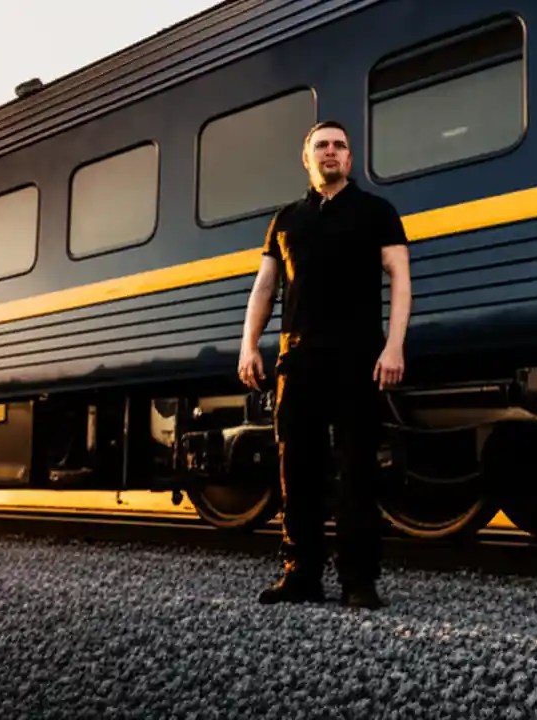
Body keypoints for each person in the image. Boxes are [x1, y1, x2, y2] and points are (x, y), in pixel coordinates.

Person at [237, 120, 411, 609]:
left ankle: (359, 580)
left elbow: (400, 279)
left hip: (359, 358)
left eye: (339, 146)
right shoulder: (286, 219)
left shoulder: (377, 212)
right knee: (297, 469)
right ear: (307, 158)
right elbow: (265, 287)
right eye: (321, 145)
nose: (330, 152)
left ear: (349, 159)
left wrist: (394, 346)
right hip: (298, 360)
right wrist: (249, 345)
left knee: (357, 470)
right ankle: (301, 575)